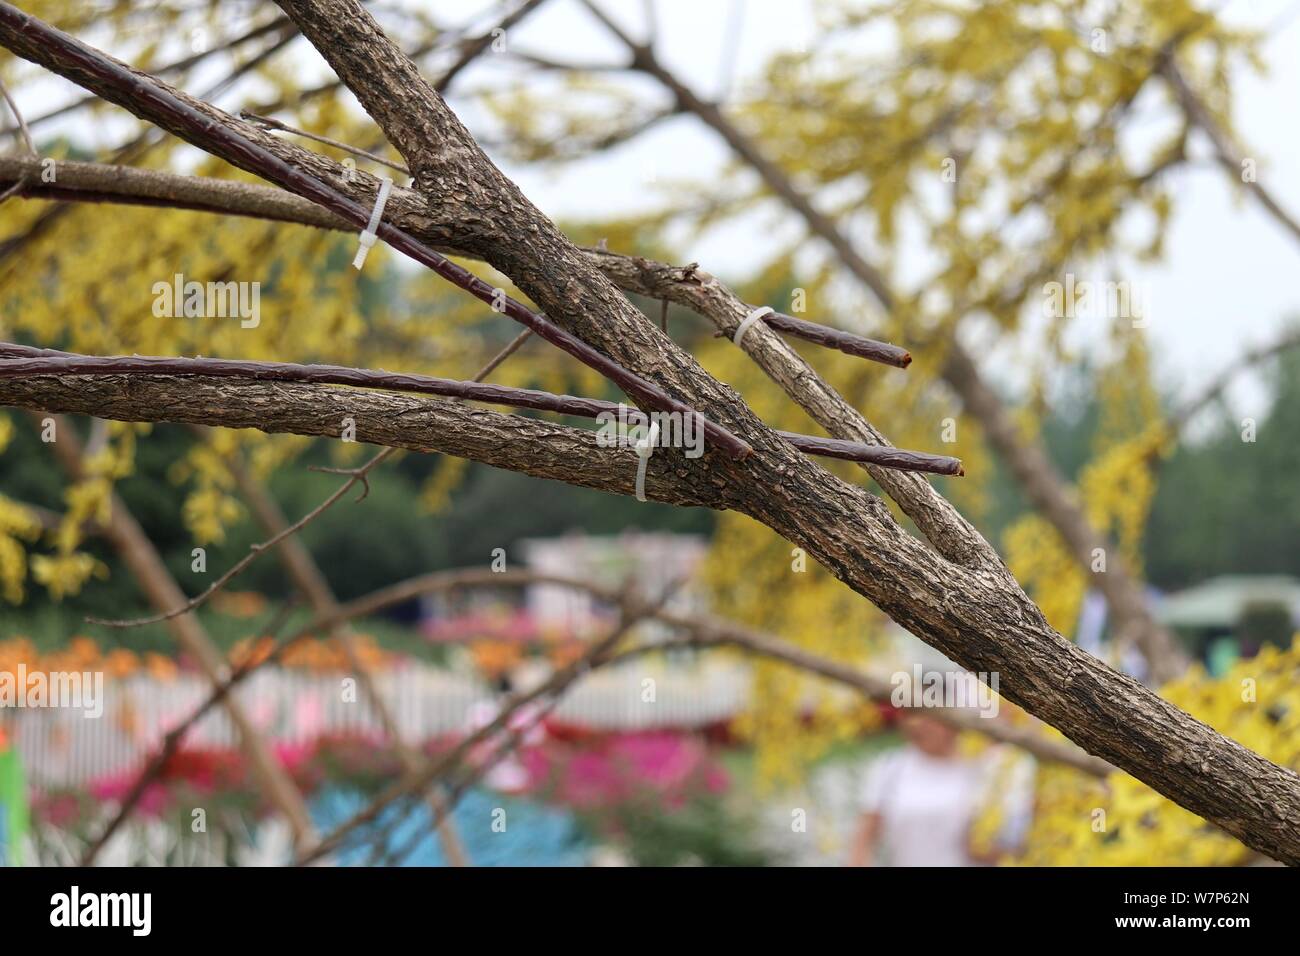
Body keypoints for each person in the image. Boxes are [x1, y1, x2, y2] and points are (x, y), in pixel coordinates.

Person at [847, 712, 1033, 866]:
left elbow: (1007, 844)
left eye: (925, 715)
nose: (915, 724)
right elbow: (864, 837)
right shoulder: (892, 766)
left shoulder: (986, 765)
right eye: (908, 715)